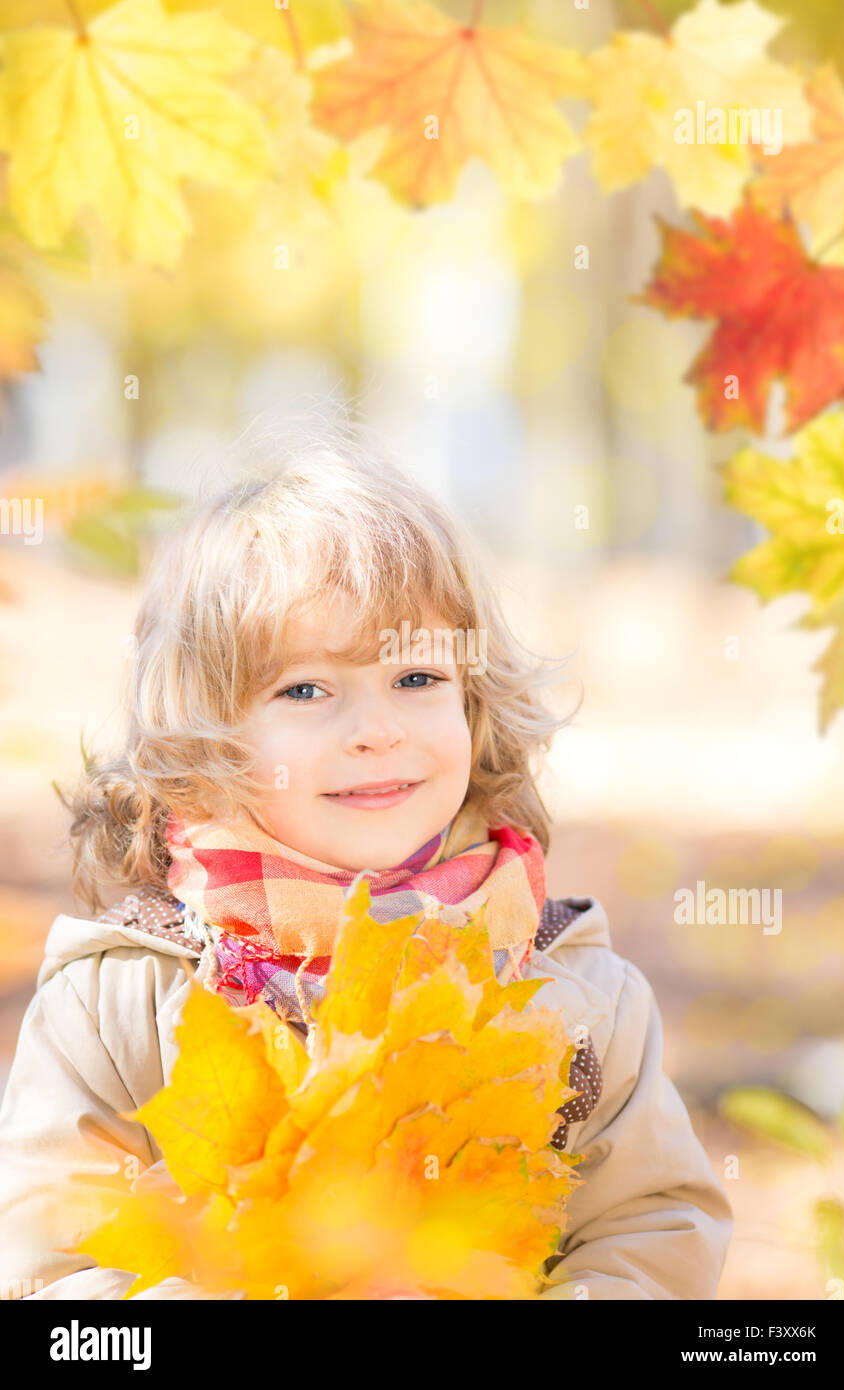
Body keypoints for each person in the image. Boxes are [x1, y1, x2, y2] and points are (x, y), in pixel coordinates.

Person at [0, 415, 733, 1300]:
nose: (377, 731)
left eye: (416, 679)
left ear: (475, 701)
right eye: (305, 689)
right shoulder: (120, 1000)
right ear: (204, 736)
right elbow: (55, 1273)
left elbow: (650, 1229)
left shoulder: (575, 995)